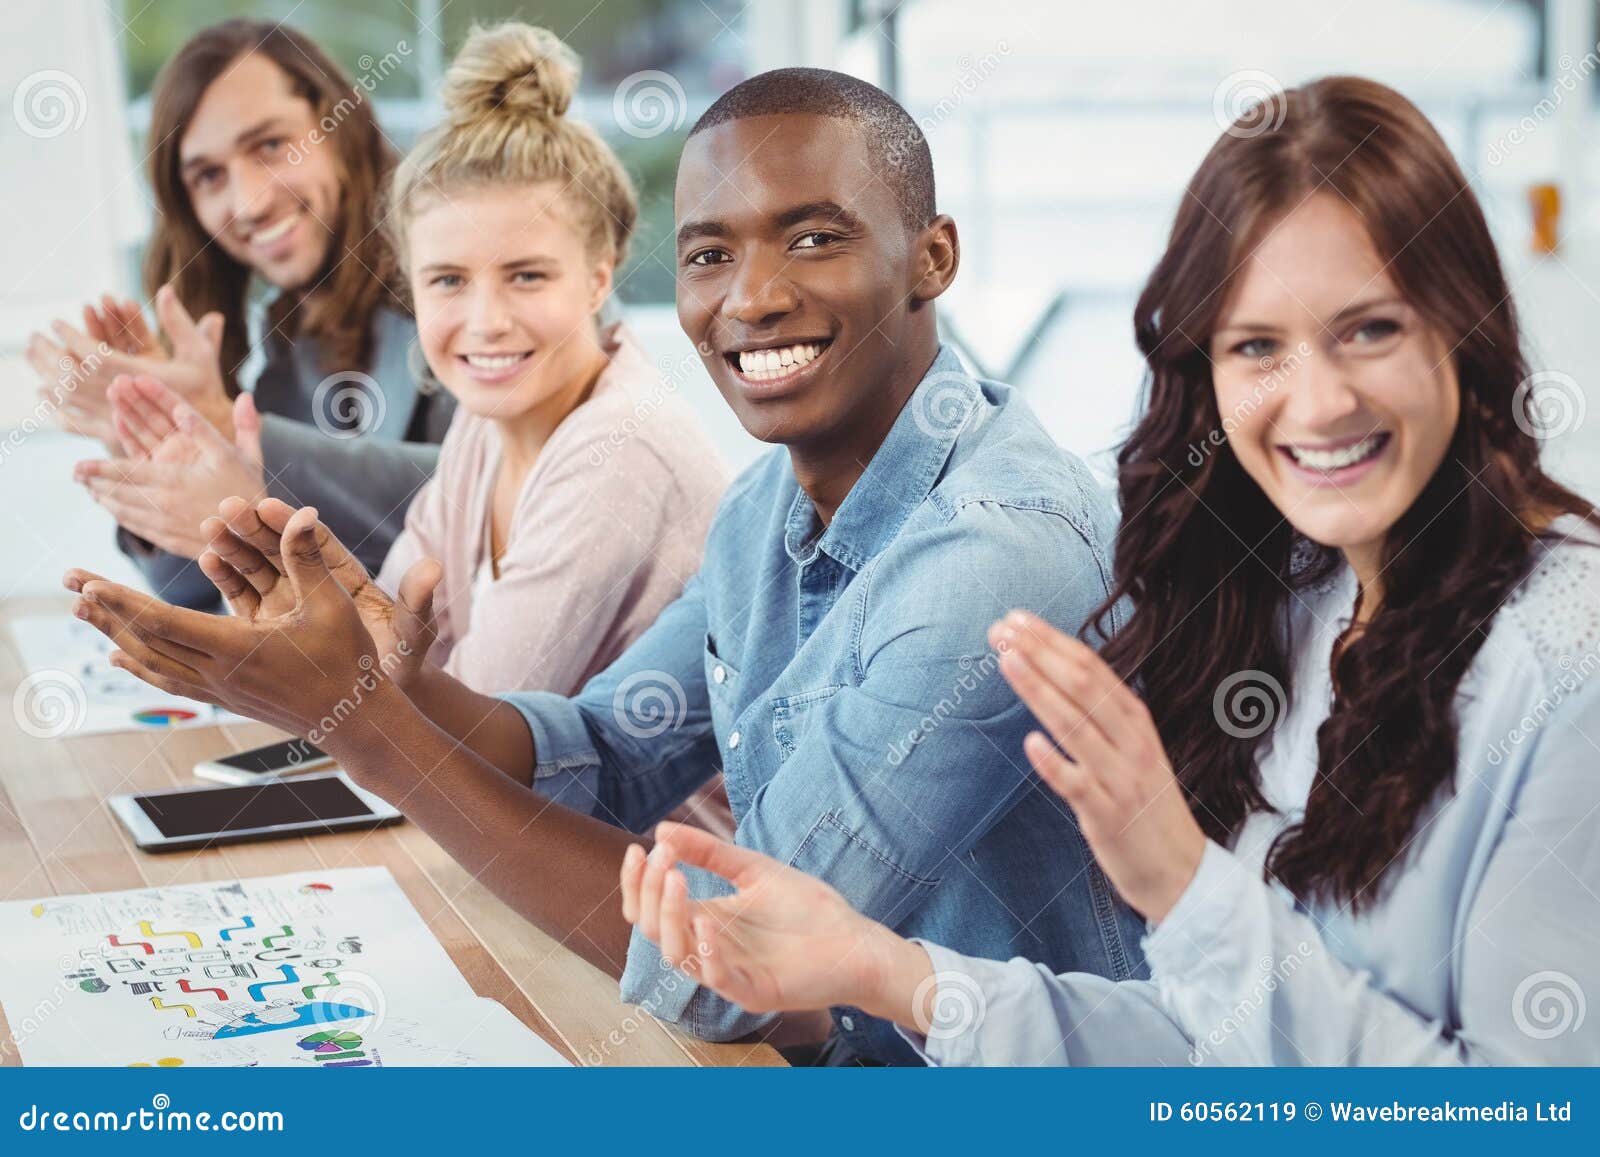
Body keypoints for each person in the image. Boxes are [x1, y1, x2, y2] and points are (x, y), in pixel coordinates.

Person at [66, 67, 1144, 1065]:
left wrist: (360, 726)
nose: (752, 297)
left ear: (932, 257)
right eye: (711, 254)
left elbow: (737, 959)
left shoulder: (992, 559)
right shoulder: (770, 496)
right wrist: (391, 680)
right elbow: (603, 749)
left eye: (812, 238)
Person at [615, 76, 1600, 1066]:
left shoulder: (1571, 652)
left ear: (1462, 328)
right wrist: (881, 968)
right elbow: (1209, 1041)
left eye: (1369, 329)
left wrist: (1183, 883)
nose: (1318, 401)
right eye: (1256, 345)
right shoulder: (1296, 599)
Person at [111, 22, 733, 834]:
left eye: (526, 276)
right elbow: (390, 642)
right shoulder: (487, 423)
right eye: (447, 280)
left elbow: (477, 730)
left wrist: (317, 666)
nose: (484, 322)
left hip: (646, 892)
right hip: (521, 842)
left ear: (599, 276)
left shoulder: (619, 448)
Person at [27, 20, 452, 609]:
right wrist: (155, 443)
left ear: (340, 128)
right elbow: (192, 589)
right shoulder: (289, 340)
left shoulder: (464, 275)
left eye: (271, 146)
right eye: (208, 176)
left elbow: (491, 496)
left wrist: (226, 433)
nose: (248, 202)